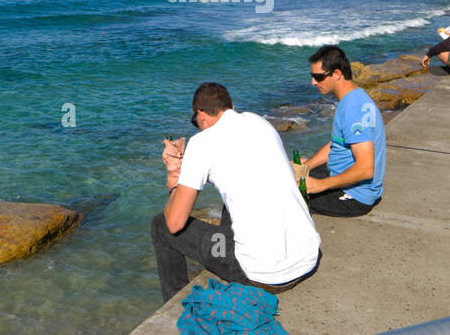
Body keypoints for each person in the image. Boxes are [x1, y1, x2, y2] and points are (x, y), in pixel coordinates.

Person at [152, 83, 321, 303]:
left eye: (196, 121)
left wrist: (174, 177)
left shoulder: (201, 143)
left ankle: (176, 305)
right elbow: (238, 169)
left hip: (263, 276)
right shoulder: (259, 123)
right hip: (308, 258)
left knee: (160, 226)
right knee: (239, 196)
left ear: (200, 114)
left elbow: (175, 222)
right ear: (231, 107)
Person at [293, 45, 386, 217]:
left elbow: (366, 169)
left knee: (273, 194)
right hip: (340, 175)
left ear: (336, 74)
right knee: (286, 171)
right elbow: (338, 143)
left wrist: (319, 185)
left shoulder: (354, 109)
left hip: (352, 197)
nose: (313, 82)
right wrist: (307, 166)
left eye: (318, 77)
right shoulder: (354, 97)